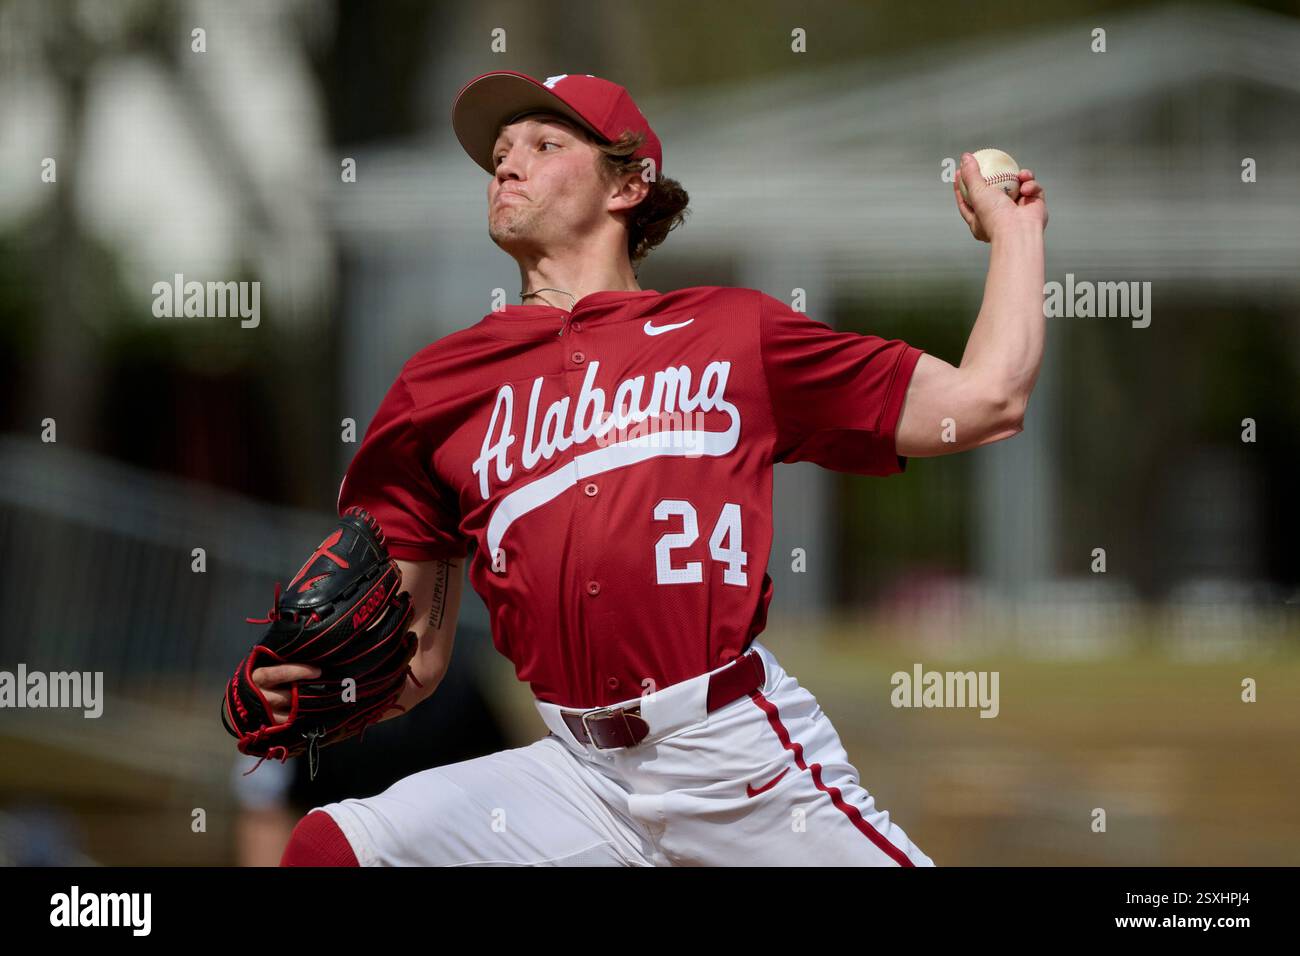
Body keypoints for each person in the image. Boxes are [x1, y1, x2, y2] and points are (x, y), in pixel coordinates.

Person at [261, 70, 1048, 866]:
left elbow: (987, 401)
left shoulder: (733, 333)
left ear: (630, 183)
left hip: (736, 763)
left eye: (544, 144)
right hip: (573, 775)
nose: (507, 165)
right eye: (500, 153)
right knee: (334, 849)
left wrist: (1015, 229)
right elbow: (417, 664)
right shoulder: (438, 387)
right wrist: (324, 689)